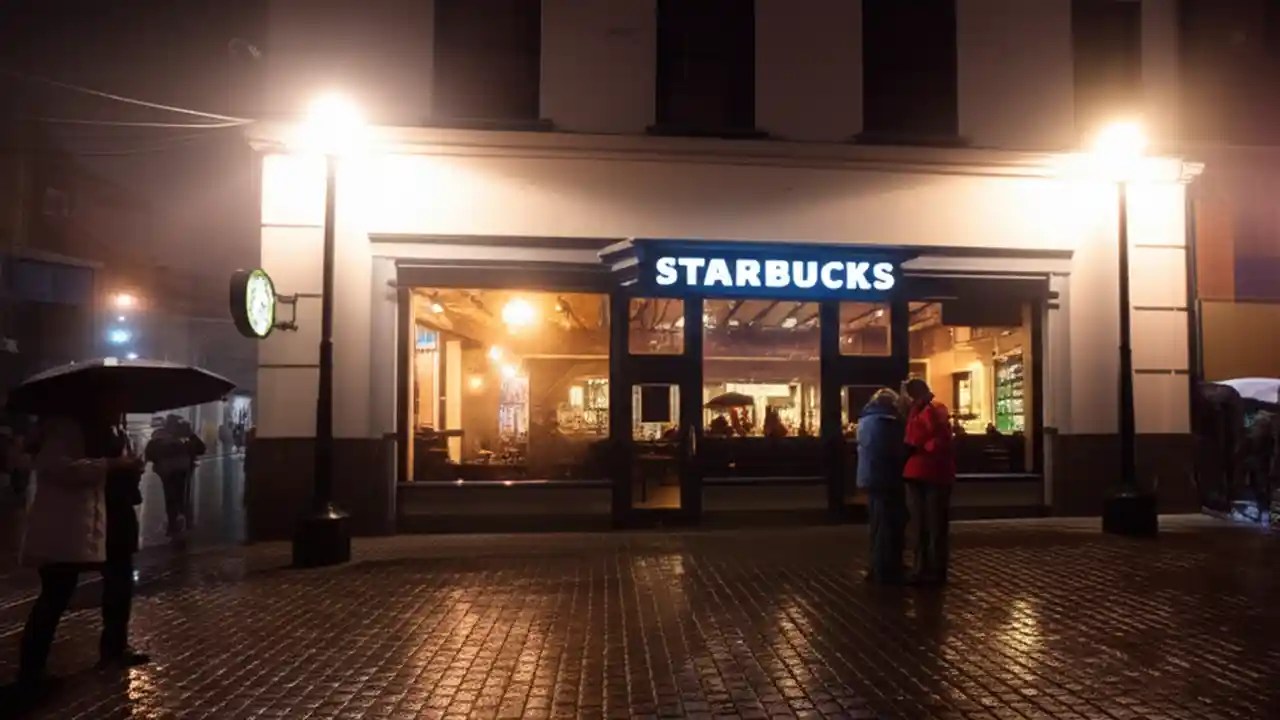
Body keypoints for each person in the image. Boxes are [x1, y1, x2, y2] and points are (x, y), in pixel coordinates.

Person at [13, 402, 149, 698]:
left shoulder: (116, 429)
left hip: (114, 515)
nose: (120, 404)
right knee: (56, 593)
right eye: (113, 397)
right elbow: (59, 469)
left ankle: (114, 648)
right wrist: (110, 465)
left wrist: (131, 467)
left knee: (120, 584)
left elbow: (118, 465)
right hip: (71, 522)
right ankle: (31, 671)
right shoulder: (64, 429)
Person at [903, 378, 956, 584]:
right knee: (930, 523)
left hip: (926, 472)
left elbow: (920, 438)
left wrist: (920, 445)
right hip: (928, 472)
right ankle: (928, 568)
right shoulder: (925, 410)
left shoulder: (929, 411)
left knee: (928, 524)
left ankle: (928, 569)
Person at [856, 388, 907, 584]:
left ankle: (876, 565)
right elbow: (896, 451)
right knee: (888, 523)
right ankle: (885, 567)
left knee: (876, 523)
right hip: (885, 477)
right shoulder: (887, 423)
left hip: (869, 477)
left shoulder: (865, 420)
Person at [145, 415, 205, 538]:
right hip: (178, 473)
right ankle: (179, 524)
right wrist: (191, 435)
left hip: (168, 474)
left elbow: (149, 454)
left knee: (173, 499)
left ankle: (175, 525)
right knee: (180, 498)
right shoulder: (179, 441)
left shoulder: (158, 439)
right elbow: (201, 448)